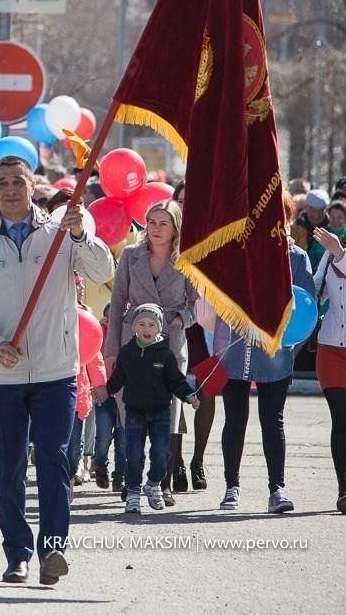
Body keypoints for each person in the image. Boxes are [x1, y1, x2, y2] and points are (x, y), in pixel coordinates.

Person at [0, 156, 114, 586]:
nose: (9, 190)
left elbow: (103, 271)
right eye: (0, 183)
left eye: (16, 182)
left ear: (30, 185)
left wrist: (81, 234)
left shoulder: (62, 230)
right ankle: (18, 553)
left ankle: (53, 550)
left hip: (56, 369)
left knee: (54, 459)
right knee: (7, 465)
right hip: (3, 372)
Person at [209, 236, 313, 514]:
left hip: (275, 353)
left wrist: (287, 348)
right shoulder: (232, 249)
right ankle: (232, 486)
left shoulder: (296, 257)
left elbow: (307, 308)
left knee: (272, 419)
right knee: (234, 418)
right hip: (234, 348)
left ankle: (277, 489)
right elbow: (215, 294)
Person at [103, 200, 195, 503]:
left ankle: (161, 481)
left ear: (175, 228)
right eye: (151, 222)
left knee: (167, 417)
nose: (155, 229)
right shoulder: (131, 256)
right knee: (130, 414)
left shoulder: (186, 260)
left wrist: (179, 319)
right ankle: (129, 481)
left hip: (169, 344)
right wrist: (112, 349)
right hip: (134, 345)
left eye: (163, 223)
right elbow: (117, 305)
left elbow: (197, 304)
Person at [105, 304, 200, 514]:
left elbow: (176, 381)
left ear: (159, 329)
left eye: (151, 324)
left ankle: (154, 484)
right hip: (135, 412)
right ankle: (133, 494)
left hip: (160, 413)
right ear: (134, 328)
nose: (146, 328)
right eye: (141, 324)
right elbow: (117, 379)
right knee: (134, 454)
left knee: (160, 453)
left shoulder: (165, 355)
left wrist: (189, 395)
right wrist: (104, 392)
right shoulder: (127, 353)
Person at [312, 225, 346, 513]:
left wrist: (340, 255)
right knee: (341, 418)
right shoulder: (331, 252)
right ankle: (344, 489)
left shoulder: (337, 251)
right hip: (331, 348)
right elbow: (314, 292)